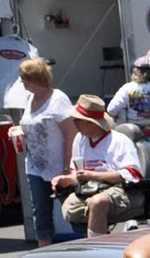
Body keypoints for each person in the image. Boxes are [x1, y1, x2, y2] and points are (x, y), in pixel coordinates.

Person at [51, 94, 143, 237]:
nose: (74, 123)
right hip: (87, 188)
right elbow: (77, 173)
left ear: (90, 122)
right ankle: (101, 234)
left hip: (120, 189)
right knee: (69, 208)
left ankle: (96, 248)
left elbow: (133, 174)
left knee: (97, 202)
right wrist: (65, 179)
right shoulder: (79, 140)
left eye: (77, 120)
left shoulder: (119, 141)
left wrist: (94, 175)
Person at [10, 58, 76, 247]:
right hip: (35, 166)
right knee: (40, 212)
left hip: (59, 166)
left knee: (72, 209)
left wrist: (67, 167)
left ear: (34, 77)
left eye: (23, 77)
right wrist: (18, 131)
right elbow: (32, 126)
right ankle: (44, 251)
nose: (21, 81)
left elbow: (71, 134)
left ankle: (85, 247)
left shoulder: (58, 99)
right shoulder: (30, 98)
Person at [107, 54, 150, 220]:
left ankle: (133, 216)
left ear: (136, 71)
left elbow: (111, 109)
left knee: (134, 179)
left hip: (135, 141)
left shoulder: (127, 89)